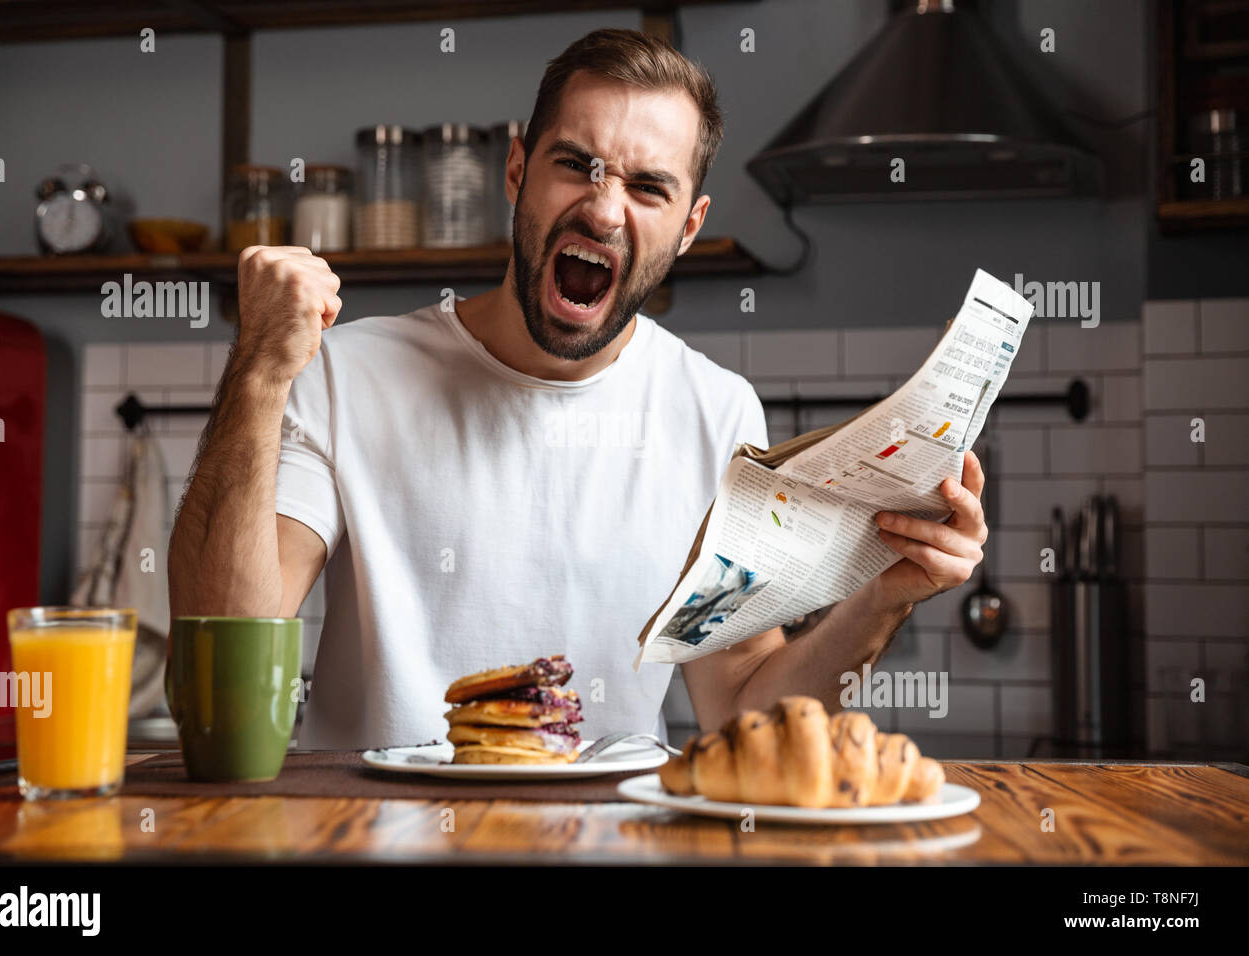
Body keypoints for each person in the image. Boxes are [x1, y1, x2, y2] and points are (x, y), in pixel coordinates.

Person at [167, 28, 988, 749]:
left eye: (647, 187)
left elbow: (744, 716)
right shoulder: (346, 374)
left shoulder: (716, 412)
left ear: (690, 226)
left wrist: (886, 595)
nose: (602, 209)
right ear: (518, 171)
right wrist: (257, 372)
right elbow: (223, 650)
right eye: (575, 165)